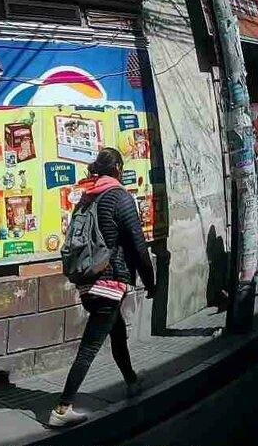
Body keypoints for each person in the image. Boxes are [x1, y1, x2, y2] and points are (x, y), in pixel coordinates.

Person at [49, 147, 156, 428]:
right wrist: (150, 280)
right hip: (110, 281)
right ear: (118, 169)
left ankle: (132, 382)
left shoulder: (86, 198)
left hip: (88, 283)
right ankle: (62, 408)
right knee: (90, 347)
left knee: (117, 333)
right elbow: (137, 245)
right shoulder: (120, 197)